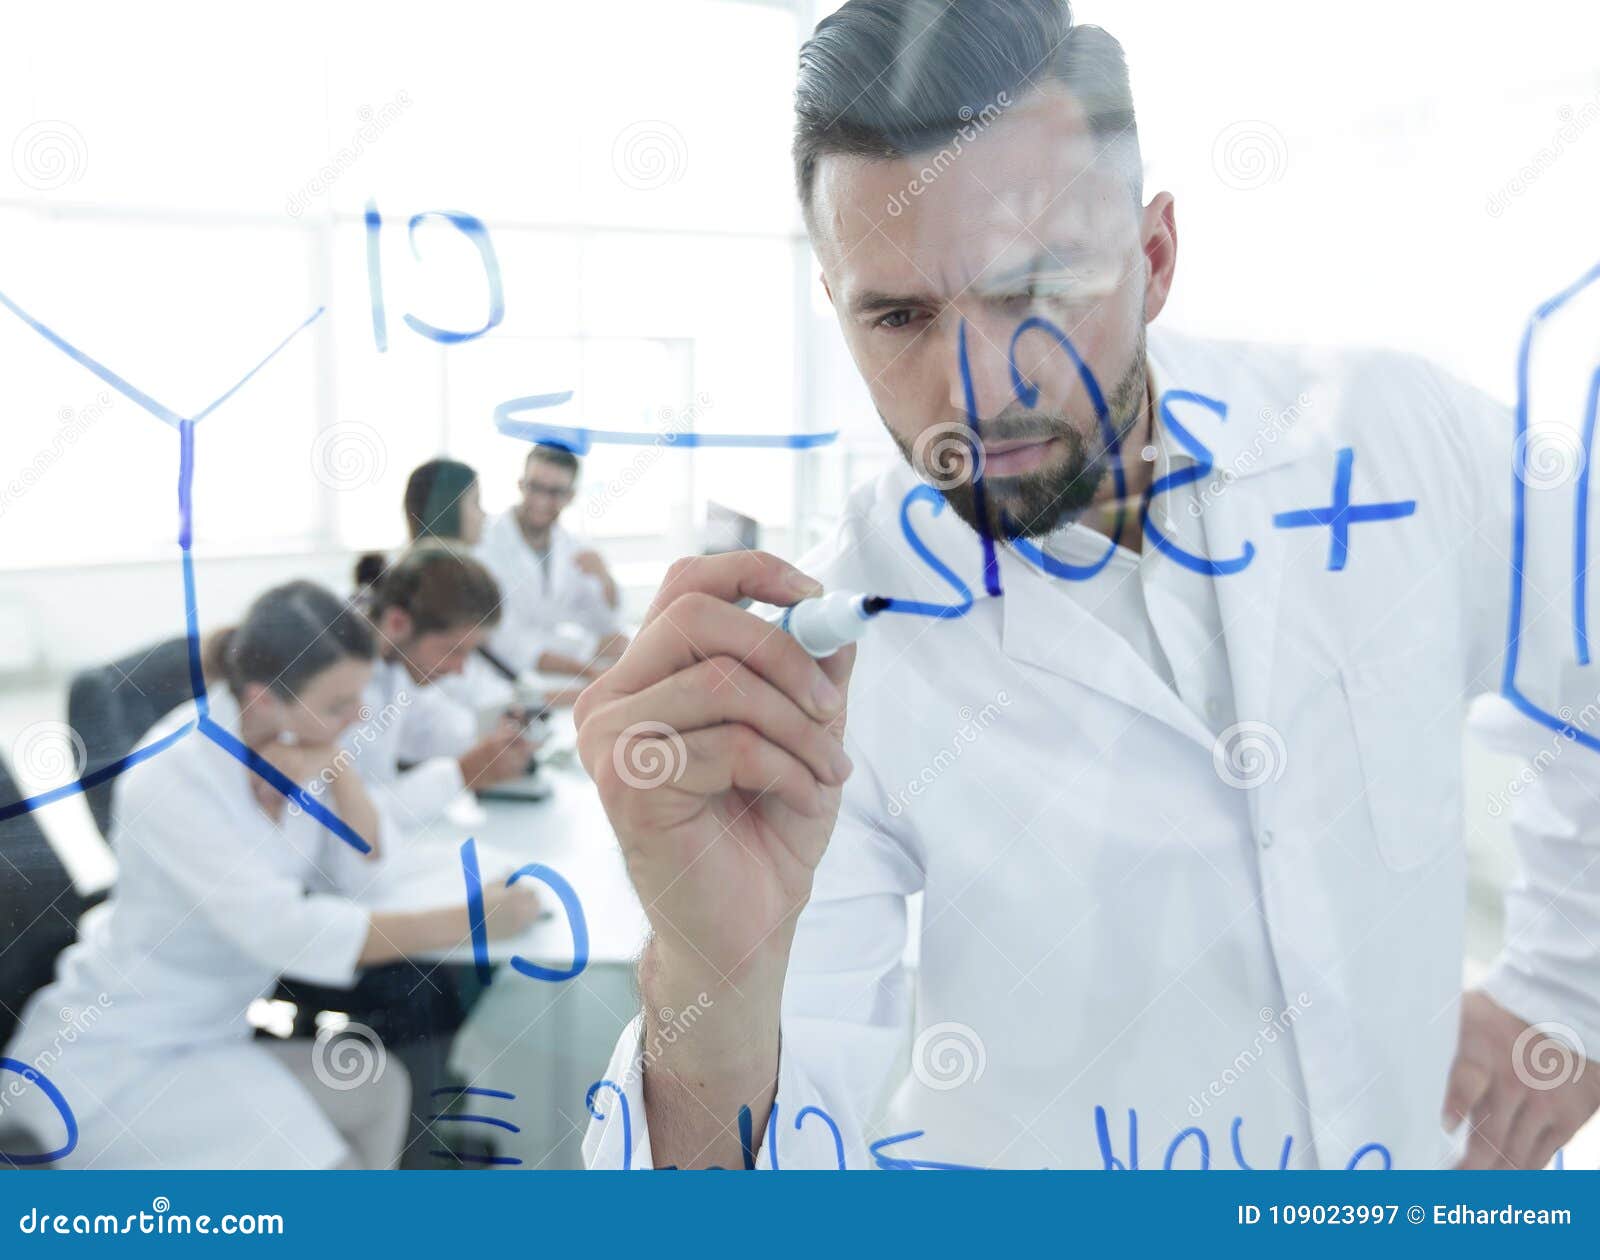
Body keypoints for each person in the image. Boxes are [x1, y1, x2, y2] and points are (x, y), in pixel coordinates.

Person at [577, 0, 1600, 1171]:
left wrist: (1569, 993)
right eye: (900, 315)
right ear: (836, 303)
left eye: (1035, 292)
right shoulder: (813, 671)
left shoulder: (1397, 440)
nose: (973, 387)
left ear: (1154, 258)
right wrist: (708, 985)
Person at [1, 581, 541, 1169]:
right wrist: (472, 921)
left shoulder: (291, 740)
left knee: (379, 1090)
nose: (359, 716)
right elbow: (287, 931)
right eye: (339, 706)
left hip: (209, 1032)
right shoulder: (172, 780)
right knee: (329, 1169)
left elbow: (365, 871)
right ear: (262, 699)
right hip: (119, 1063)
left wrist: (337, 768)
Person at [350, 542, 538, 824]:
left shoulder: (392, 666)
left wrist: (496, 736)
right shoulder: (343, 688)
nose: (460, 669)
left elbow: (428, 725)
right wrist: (462, 774)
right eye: (453, 650)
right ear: (398, 623)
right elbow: (356, 823)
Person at [477, 443, 630, 681]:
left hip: (552, 673)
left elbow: (607, 628)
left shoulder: (572, 549)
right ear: (520, 484)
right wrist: (586, 655)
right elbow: (500, 637)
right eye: (535, 487)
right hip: (501, 676)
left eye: (555, 492)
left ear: (570, 496)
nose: (541, 500)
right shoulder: (486, 543)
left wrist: (605, 579)